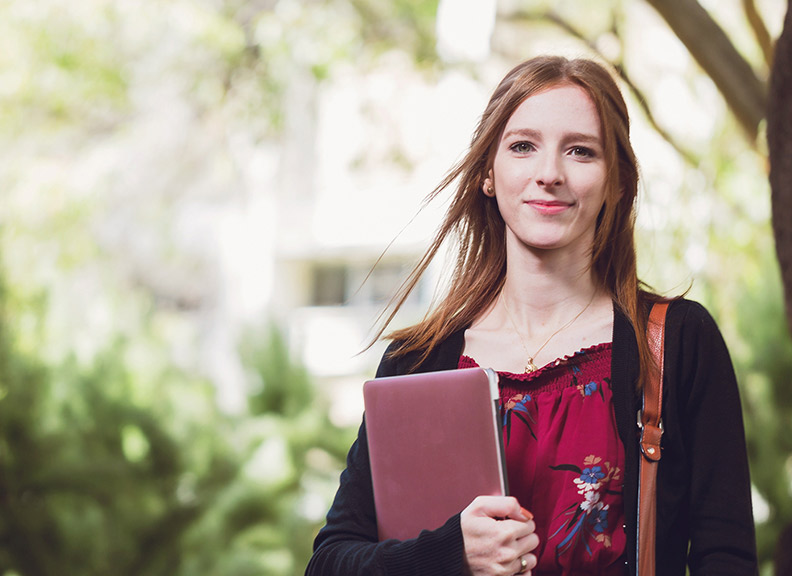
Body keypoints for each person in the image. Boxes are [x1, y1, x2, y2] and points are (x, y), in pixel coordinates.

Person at [305, 55, 757, 575]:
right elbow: (330, 562)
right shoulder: (417, 364)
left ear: (616, 184)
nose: (549, 174)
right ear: (488, 175)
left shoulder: (677, 342)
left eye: (581, 152)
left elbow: (729, 559)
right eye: (523, 146)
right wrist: (451, 553)